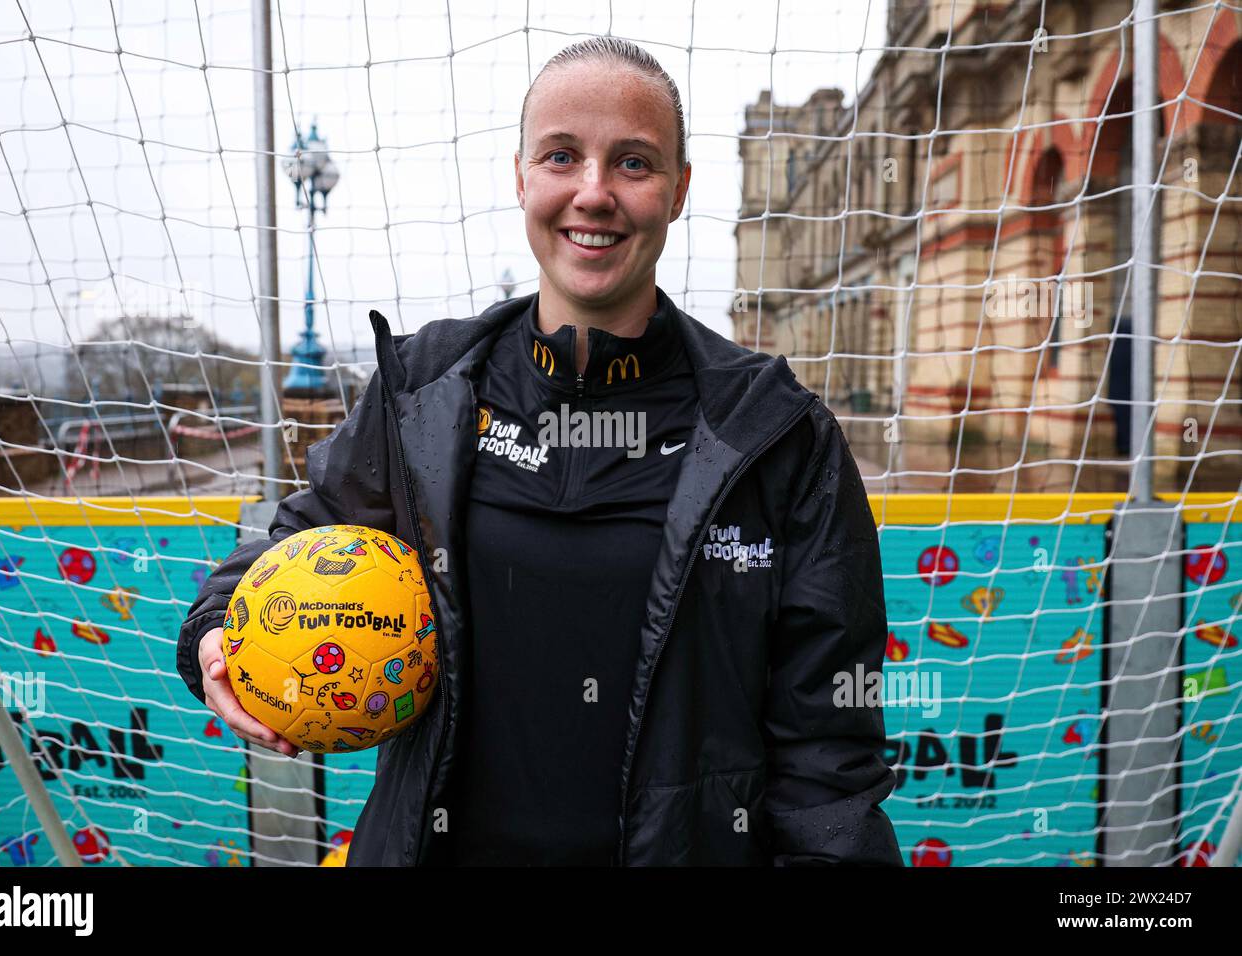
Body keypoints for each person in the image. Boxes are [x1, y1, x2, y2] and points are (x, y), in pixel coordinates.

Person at [175, 36, 902, 866]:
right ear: (521, 176)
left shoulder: (775, 431)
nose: (593, 193)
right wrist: (218, 626)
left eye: (633, 163)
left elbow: (827, 751)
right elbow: (294, 539)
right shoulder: (424, 390)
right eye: (562, 156)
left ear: (679, 190)